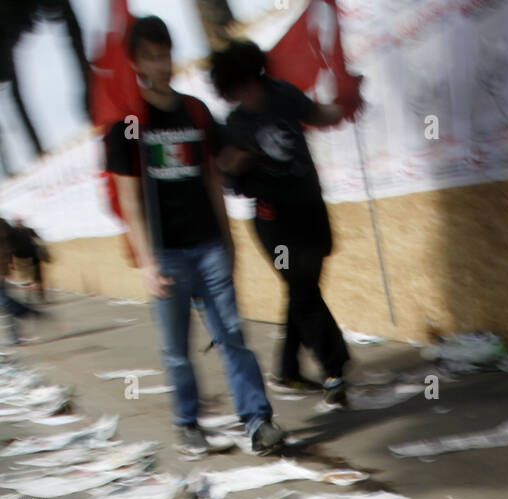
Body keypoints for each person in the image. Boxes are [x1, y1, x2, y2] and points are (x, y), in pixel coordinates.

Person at [105, 16, 283, 458]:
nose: (160, 64)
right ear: (136, 62)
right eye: (150, 56)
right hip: (166, 253)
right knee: (177, 349)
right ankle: (187, 423)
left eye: (165, 54)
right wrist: (147, 263)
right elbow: (129, 199)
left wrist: (229, 239)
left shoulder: (196, 111)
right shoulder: (128, 123)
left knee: (233, 335)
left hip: (209, 247)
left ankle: (258, 421)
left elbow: (211, 175)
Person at [209, 40, 353, 406]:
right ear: (230, 90)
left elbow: (318, 114)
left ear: (256, 75)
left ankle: (287, 369)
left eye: (249, 83)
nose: (246, 93)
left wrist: (346, 104)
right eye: (237, 90)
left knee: (302, 289)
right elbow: (229, 182)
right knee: (301, 285)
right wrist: (232, 166)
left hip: (310, 207)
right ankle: (334, 365)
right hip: (275, 224)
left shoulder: (283, 94)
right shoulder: (234, 125)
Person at [8, 220, 50, 301]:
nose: (20, 224)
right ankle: (31, 298)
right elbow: (39, 240)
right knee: (30, 279)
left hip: (29, 257)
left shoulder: (26, 230)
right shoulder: (15, 232)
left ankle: (37, 298)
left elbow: (38, 239)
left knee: (34, 279)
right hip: (24, 258)